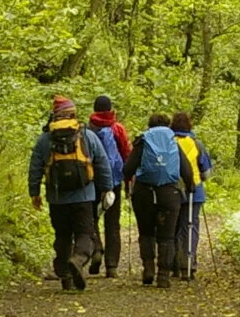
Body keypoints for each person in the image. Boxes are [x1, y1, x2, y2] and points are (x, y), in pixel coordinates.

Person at [27, 95, 116, 290]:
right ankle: (78, 259)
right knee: (85, 233)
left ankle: (66, 278)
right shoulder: (86, 136)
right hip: (84, 196)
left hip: (57, 197)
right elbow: (102, 163)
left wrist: (34, 192)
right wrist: (106, 188)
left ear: (55, 115)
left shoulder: (45, 139)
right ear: (73, 114)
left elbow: (35, 167)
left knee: (62, 235)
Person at [127, 111, 198, 287]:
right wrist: (190, 186)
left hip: (144, 193)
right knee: (167, 236)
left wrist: (128, 182)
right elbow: (186, 169)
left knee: (146, 232)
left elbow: (128, 169)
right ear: (168, 125)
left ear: (149, 125)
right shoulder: (173, 141)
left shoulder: (143, 141)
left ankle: (148, 268)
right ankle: (163, 276)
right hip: (169, 194)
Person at [86, 95, 132, 278]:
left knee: (91, 218)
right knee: (112, 223)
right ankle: (112, 266)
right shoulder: (117, 128)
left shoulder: (88, 129)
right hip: (114, 181)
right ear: (111, 109)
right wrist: (128, 180)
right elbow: (126, 153)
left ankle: (96, 249)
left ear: (95, 109)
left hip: (92, 180)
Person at [171, 111, 213, 281]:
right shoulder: (197, 144)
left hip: (173, 189)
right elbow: (207, 172)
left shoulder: (170, 142)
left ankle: (174, 263)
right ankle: (188, 264)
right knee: (190, 226)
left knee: (173, 227)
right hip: (194, 191)